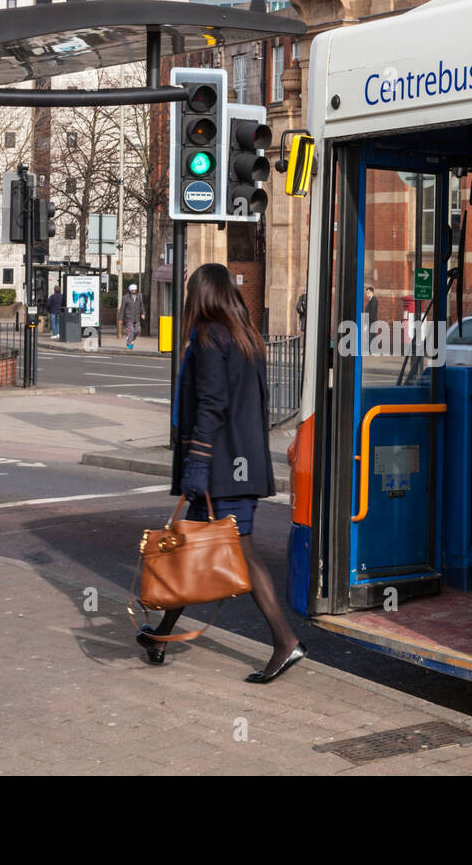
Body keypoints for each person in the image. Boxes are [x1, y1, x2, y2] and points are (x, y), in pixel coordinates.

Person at [137, 263, 305, 683]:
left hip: (220, 468)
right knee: (189, 548)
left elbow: (211, 405)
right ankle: (161, 636)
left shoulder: (211, 337)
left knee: (240, 554)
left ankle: (286, 642)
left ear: (203, 295)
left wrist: (196, 462)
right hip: (239, 463)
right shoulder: (247, 337)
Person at [120, 283, 145, 349]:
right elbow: (122, 309)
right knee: (131, 330)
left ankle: (130, 339)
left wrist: (143, 313)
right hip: (129, 317)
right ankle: (129, 343)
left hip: (137, 317)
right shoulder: (125, 298)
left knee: (137, 330)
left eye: (135, 290)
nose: (134, 291)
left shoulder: (139, 297)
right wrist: (120, 319)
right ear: (130, 290)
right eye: (132, 290)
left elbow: (142, 306)